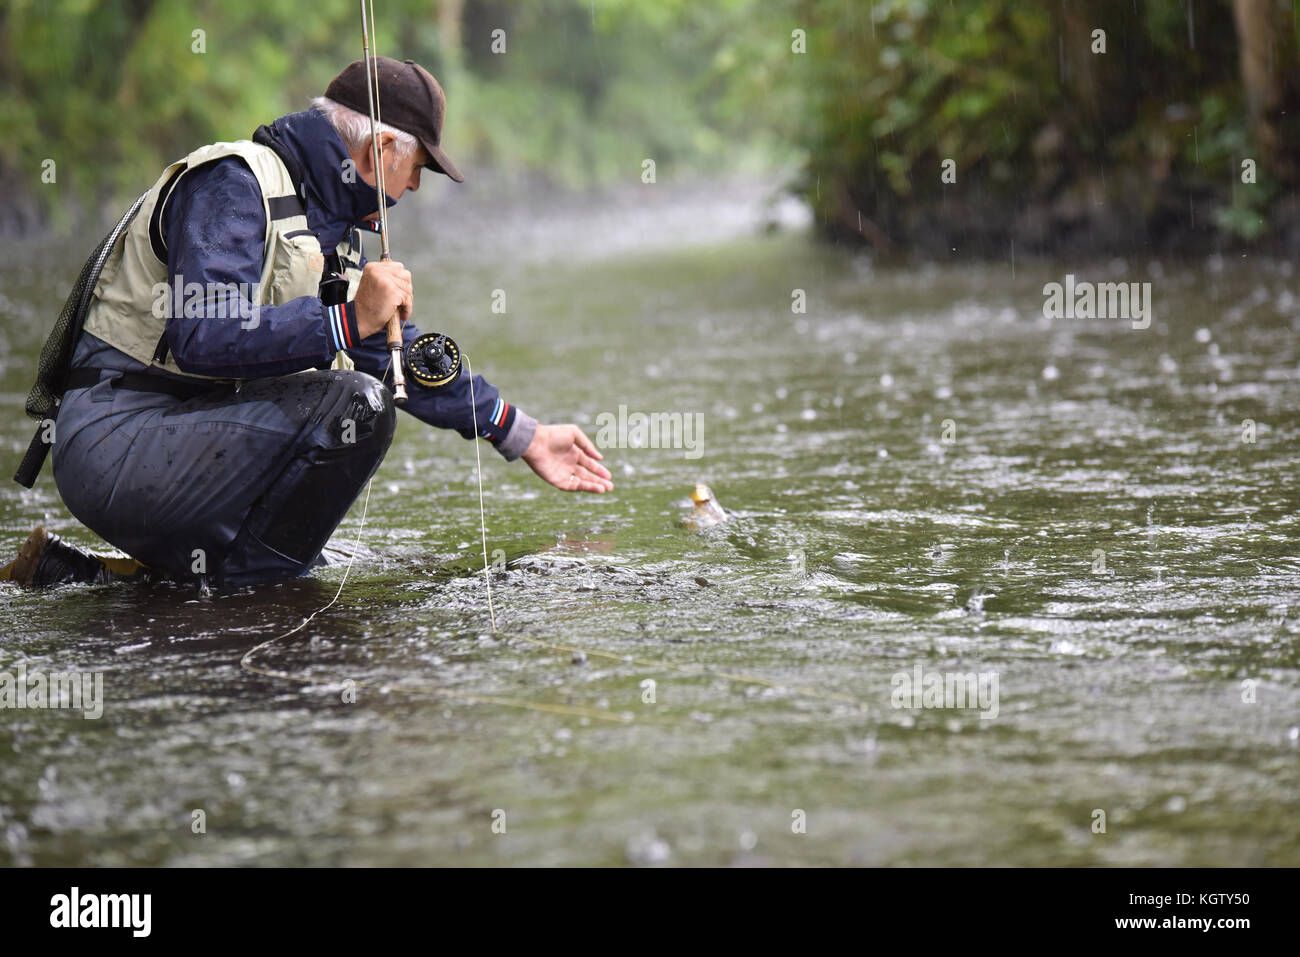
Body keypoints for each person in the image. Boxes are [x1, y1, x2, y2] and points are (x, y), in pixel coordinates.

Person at [4, 56, 613, 589]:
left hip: (187, 438)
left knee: (349, 422)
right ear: (380, 151)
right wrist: (346, 320)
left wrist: (519, 432)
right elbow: (203, 336)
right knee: (356, 408)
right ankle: (244, 596)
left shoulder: (332, 229)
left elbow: (396, 361)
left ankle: (121, 581)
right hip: (115, 441)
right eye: (419, 168)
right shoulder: (234, 185)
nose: (415, 186)